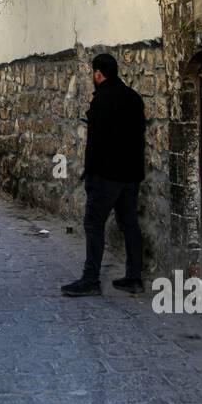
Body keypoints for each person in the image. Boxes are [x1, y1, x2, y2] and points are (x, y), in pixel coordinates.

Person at [62, 53, 146, 296]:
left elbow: (96, 144)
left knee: (93, 224)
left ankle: (90, 279)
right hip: (130, 174)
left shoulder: (101, 101)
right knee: (130, 224)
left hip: (106, 175)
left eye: (93, 74)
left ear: (98, 74)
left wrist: (90, 174)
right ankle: (134, 277)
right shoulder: (134, 98)